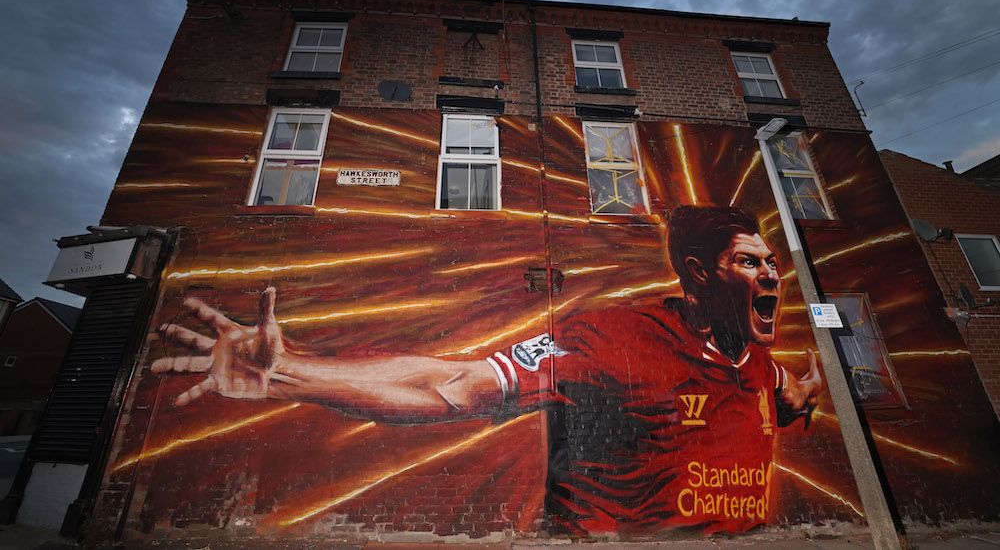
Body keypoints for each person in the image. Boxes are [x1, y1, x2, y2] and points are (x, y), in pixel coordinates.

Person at [153, 205, 820, 534]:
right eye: (752, 263)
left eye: (771, 262)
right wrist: (291, 373)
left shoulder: (756, 358)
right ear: (700, 275)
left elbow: (762, 399)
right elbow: (457, 384)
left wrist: (794, 401)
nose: (772, 274)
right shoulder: (610, 337)